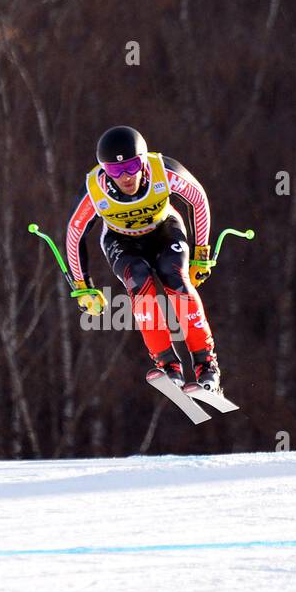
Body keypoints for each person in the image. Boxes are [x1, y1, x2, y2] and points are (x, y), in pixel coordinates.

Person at [64, 125, 222, 392]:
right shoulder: (95, 190)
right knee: (138, 279)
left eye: (133, 166)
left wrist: (201, 254)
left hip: (164, 229)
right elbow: (74, 233)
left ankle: (206, 365)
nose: (126, 176)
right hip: (121, 240)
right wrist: (83, 287)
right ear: (104, 170)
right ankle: (167, 364)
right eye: (115, 170)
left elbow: (198, 199)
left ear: (144, 160)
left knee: (174, 275)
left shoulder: (163, 171)